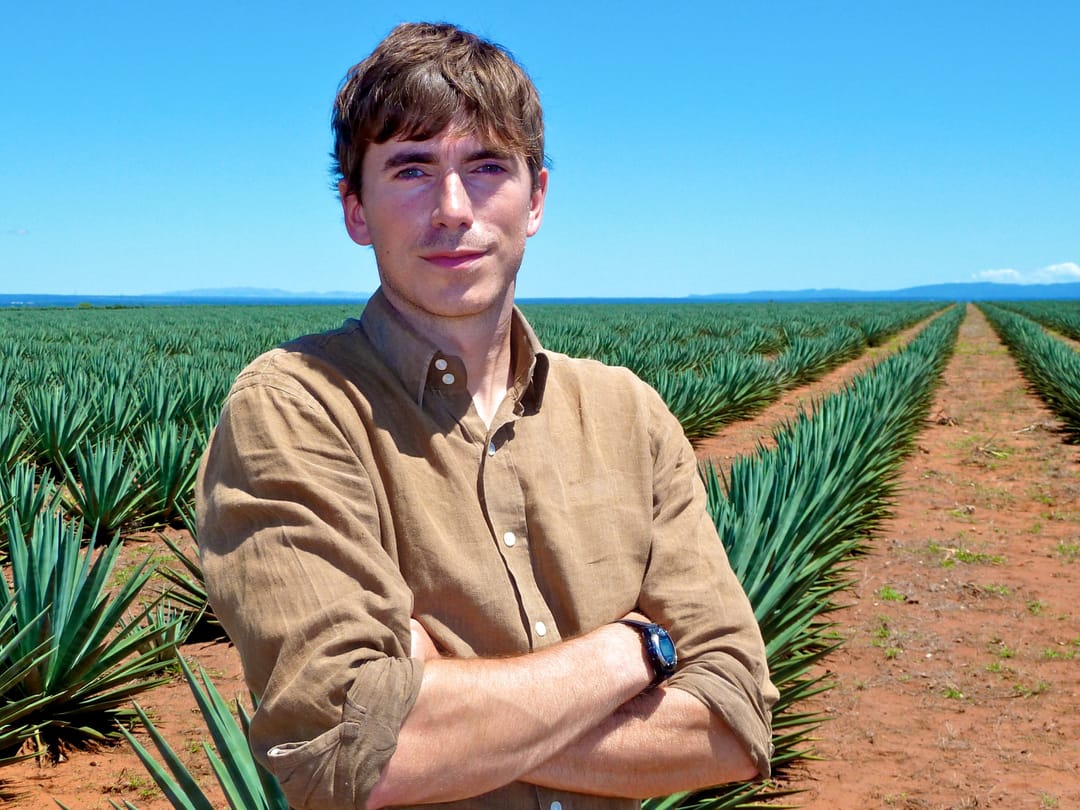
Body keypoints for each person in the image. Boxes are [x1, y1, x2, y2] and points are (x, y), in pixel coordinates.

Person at [196, 21, 778, 810]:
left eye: (486, 166)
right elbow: (350, 751)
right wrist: (633, 652)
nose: (451, 208)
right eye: (410, 168)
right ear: (356, 210)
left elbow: (734, 724)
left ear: (535, 199)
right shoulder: (295, 406)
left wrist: (442, 703)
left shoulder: (626, 414)